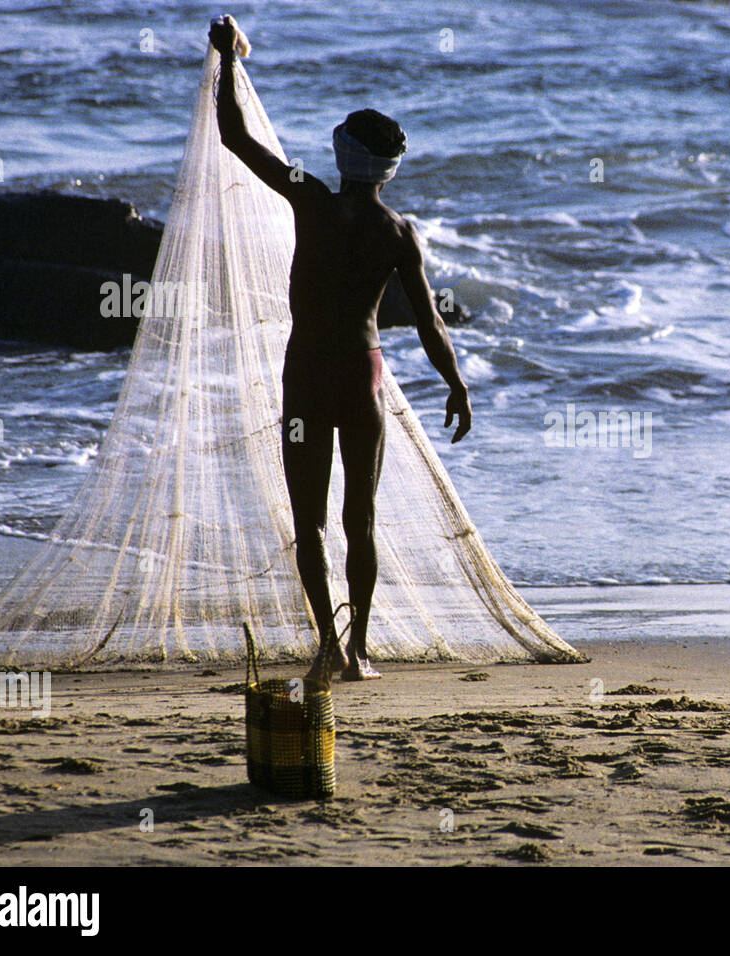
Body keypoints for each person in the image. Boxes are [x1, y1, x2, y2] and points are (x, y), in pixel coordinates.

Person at [209, 15, 471, 684]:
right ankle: (359, 653)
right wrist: (456, 384)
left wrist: (228, 61)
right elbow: (429, 321)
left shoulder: (312, 200)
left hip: (307, 380)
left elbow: (235, 136)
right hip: (363, 378)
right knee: (362, 519)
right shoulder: (398, 231)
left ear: (341, 155)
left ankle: (328, 640)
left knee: (311, 521)